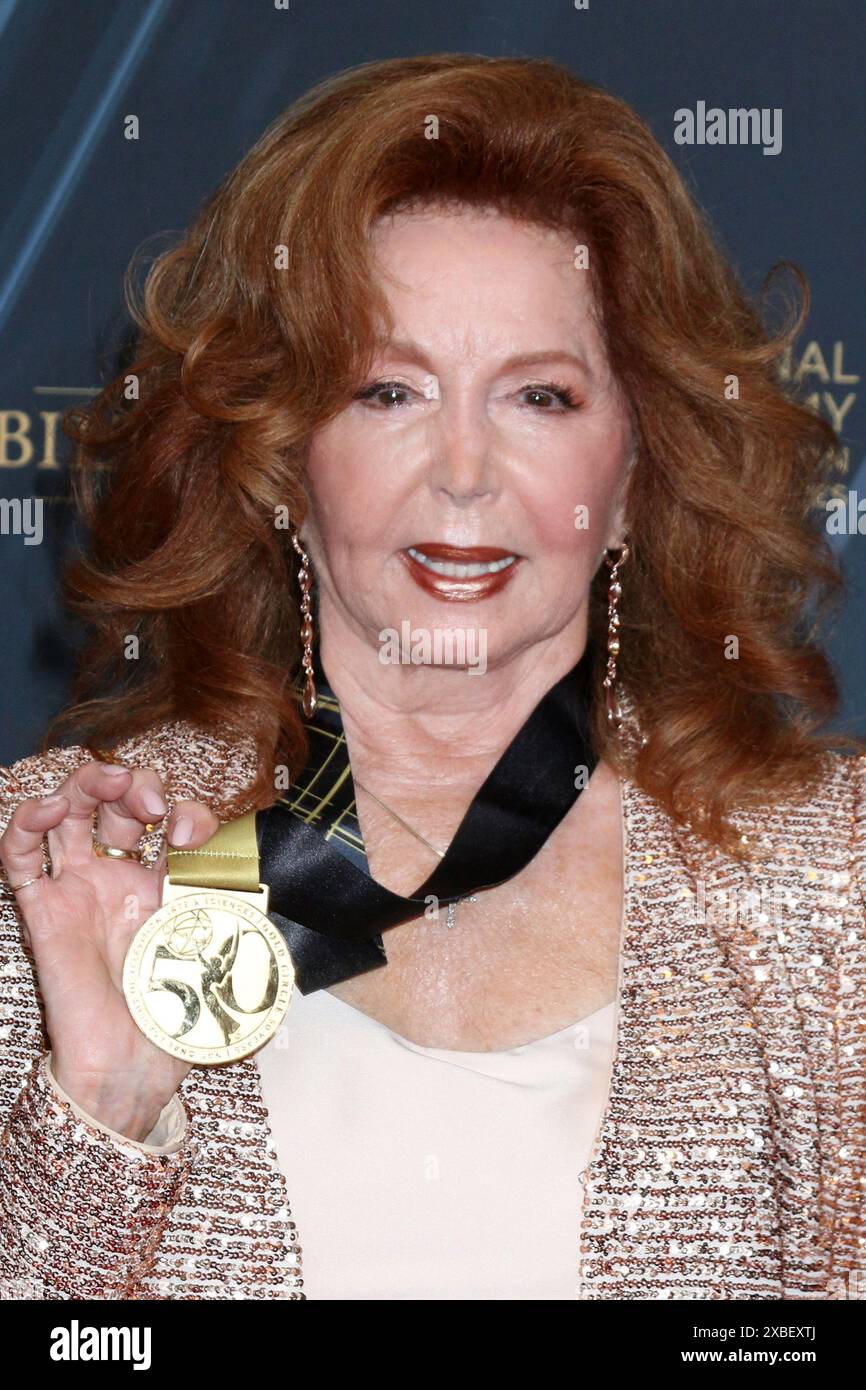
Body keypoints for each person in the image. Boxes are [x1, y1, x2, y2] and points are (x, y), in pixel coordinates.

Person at [1, 53, 864, 1302]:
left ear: (631, 472)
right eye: (388, 389)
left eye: (539, 395)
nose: (463, 468)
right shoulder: (56, 871)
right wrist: (105, 1107)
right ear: (286, 461)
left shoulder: (829, 885)